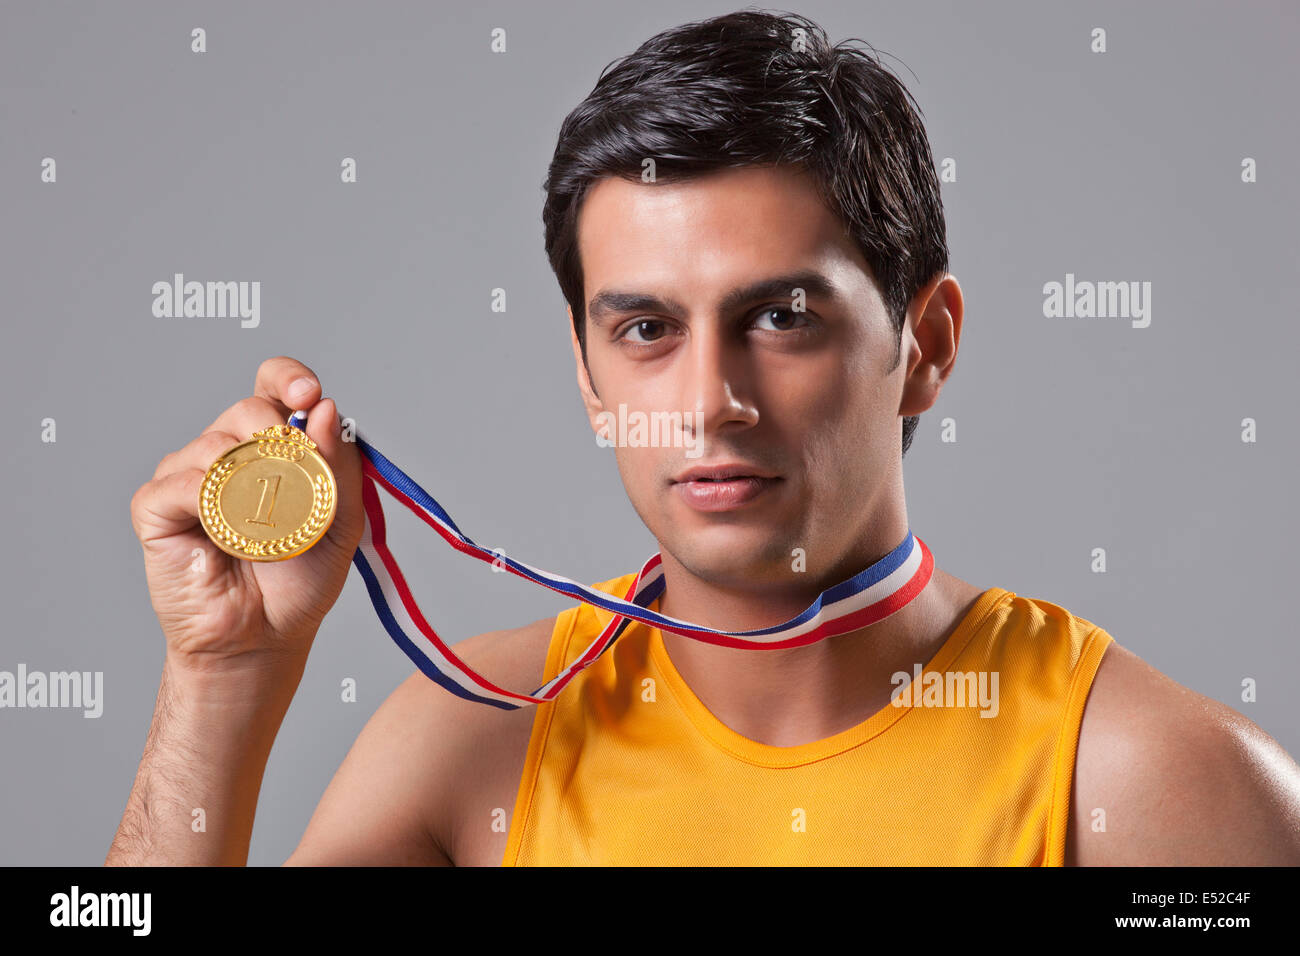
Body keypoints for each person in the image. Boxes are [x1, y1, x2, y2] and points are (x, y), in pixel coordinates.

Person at [108, 10, 1300, 866]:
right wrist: (225, 679)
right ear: (585, 369)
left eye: (781, 316)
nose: (707, 399)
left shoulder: (1149, 780)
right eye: (644, 327)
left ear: (925, 343)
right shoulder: (471, 744)